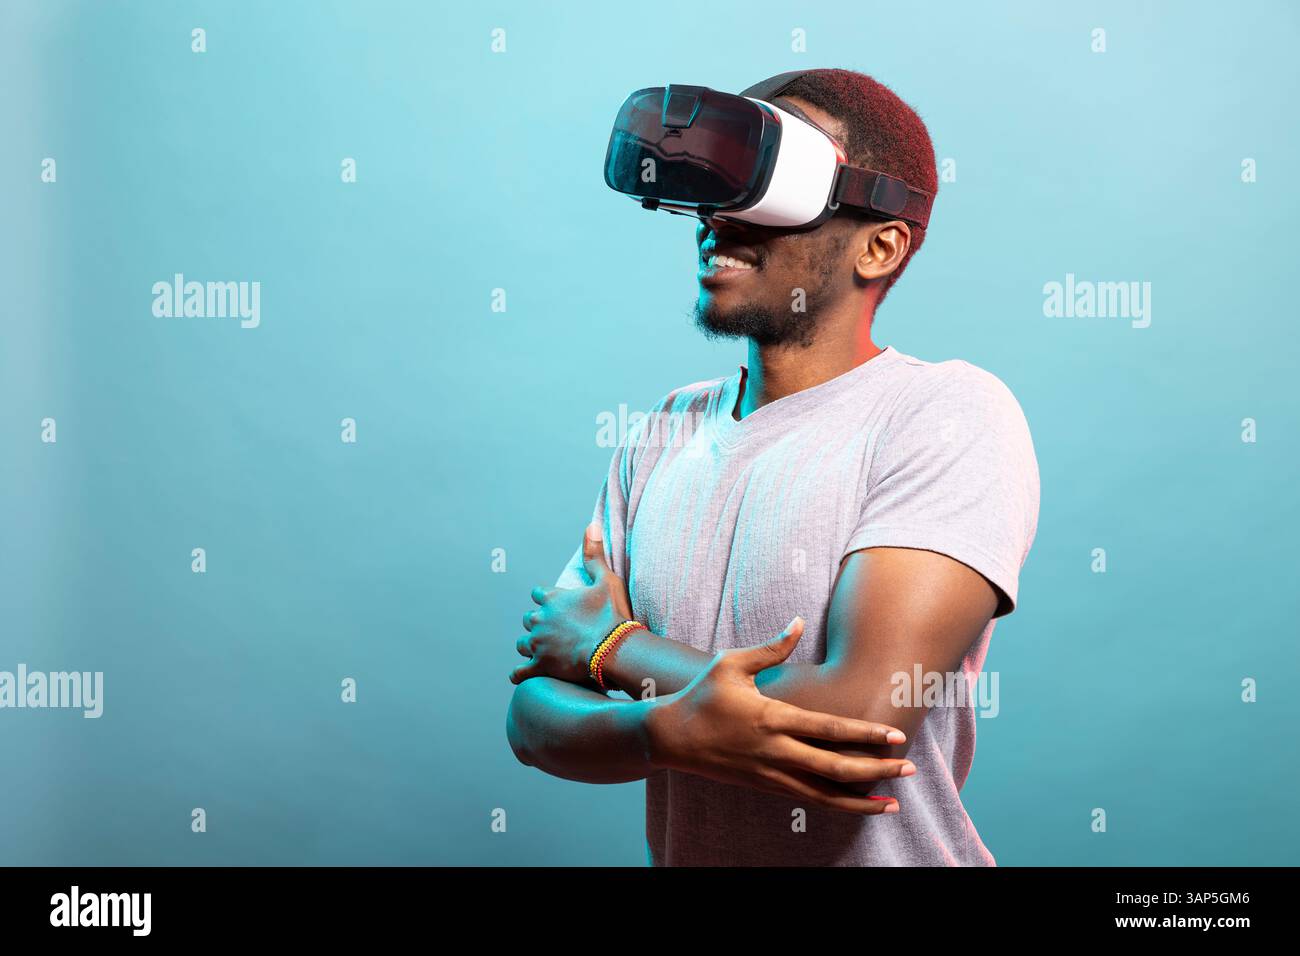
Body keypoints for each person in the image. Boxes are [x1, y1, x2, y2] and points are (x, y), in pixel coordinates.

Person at [506, 68, 1040, 866]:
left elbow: (857, 720)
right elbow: (533, 717)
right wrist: (660, 731)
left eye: (770, 184)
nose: (718, 217)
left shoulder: (947, 412)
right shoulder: (664, 430)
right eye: (718, 187)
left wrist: (613, 649)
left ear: (880, 244)